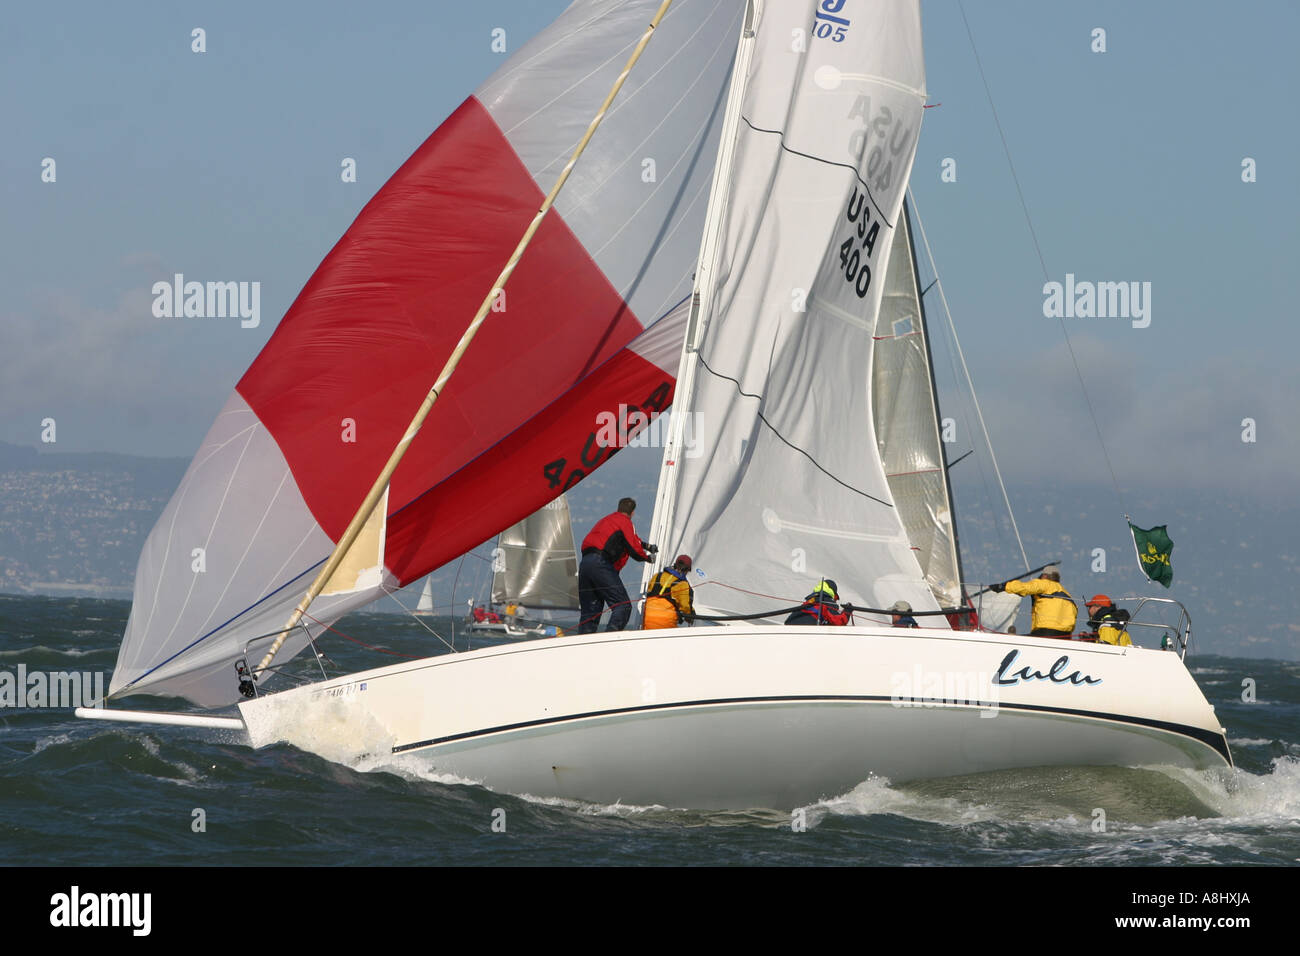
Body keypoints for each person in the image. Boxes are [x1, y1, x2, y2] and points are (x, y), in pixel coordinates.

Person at [578, 497, 656, 633]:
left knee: (590, 612)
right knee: (623, 606)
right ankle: (610, 640)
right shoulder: (625, 522)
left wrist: (646, 545)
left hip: (585, 564)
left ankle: (582, 644)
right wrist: (648, 558)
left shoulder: (606, 520)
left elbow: (631, 538)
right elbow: (633, 547)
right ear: (632, 513)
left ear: (618, 508)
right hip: (600, 563)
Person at [993, 566, 1077, 638]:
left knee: (1020, 639)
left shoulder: (1044, 584)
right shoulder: (1067, 595)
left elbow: (1025, 587)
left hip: (1045, 632)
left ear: (1044, 576)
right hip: (1065, 635)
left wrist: (1003, 586)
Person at [643, 555, 695, 630]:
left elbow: (649, 592)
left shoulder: (656, 576)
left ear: (675, 564)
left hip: (647, 622)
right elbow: (684, 607)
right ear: (687, 570)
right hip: (666, 624)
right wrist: (690, 616)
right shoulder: (682, 584)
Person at [785, 579, 851, 626]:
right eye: (835, 598)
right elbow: (838, 621)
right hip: (810, 633)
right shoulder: (828, 601)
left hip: (789, 628)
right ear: (833, 593)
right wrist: (848, 611)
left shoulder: (809, 601)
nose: (835, 600)